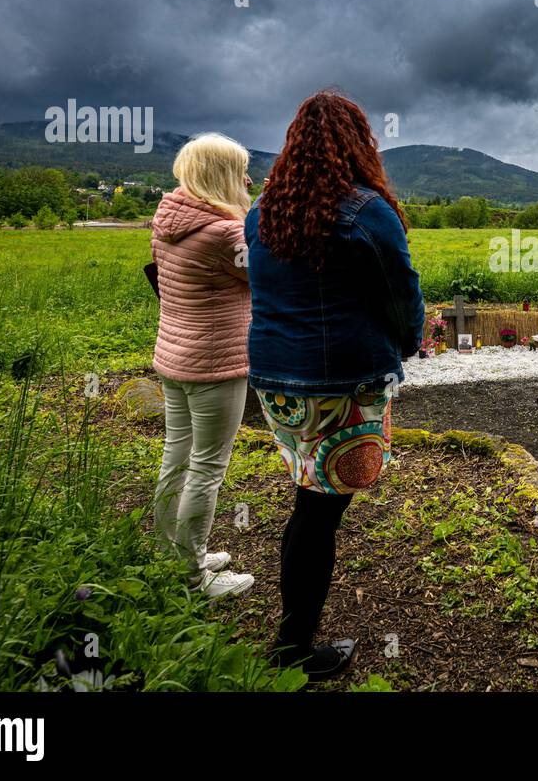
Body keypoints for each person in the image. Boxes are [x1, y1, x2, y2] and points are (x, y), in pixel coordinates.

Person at [247, 90, 424, 680]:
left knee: (311, 499)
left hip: (276, 382)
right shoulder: (365, 210)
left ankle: (292, 635)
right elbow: (401, 293)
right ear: (358, 143)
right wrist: (405, 345)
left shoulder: (263, 212)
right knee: (319, 511)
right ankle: (294, 647)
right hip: (338, 381)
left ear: (293, 145)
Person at [151, 132, 256, 599]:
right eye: (241, 171)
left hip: (174, 357)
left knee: (176, 458)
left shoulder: (168, 220)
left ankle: (171, 553)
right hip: (216, 363)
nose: (248, 178)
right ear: (221, 176)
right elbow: (263, 274)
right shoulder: (224, 233)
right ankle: (195, 578)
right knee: (208, 467)